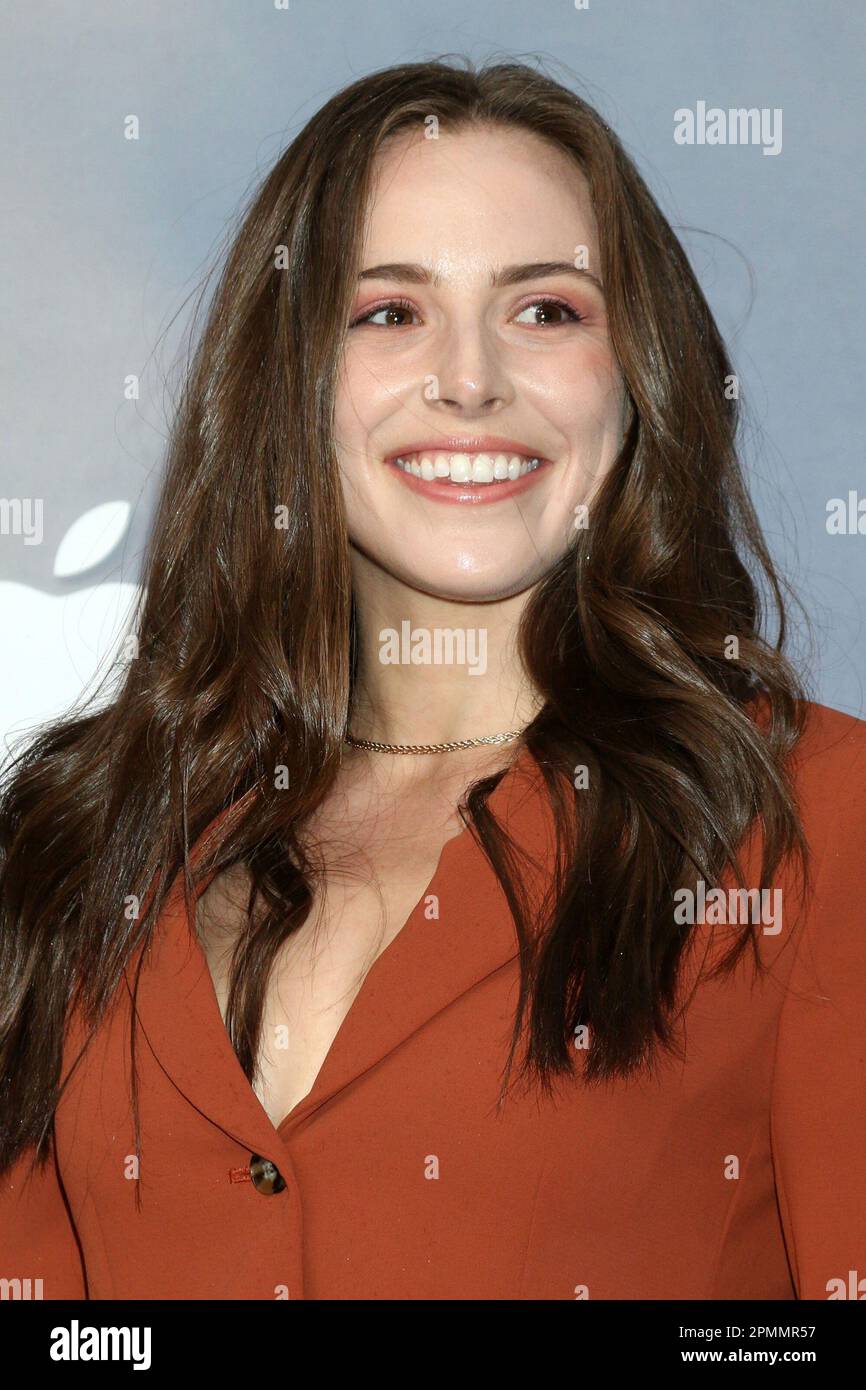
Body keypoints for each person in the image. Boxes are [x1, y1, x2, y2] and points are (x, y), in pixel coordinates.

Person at [1, 57, 864, 1302]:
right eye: (388, 313)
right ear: (286, 378)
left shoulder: (816, 825)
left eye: (546, 310)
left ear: (641, 378)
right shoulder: (85, 835)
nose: (468, 379)